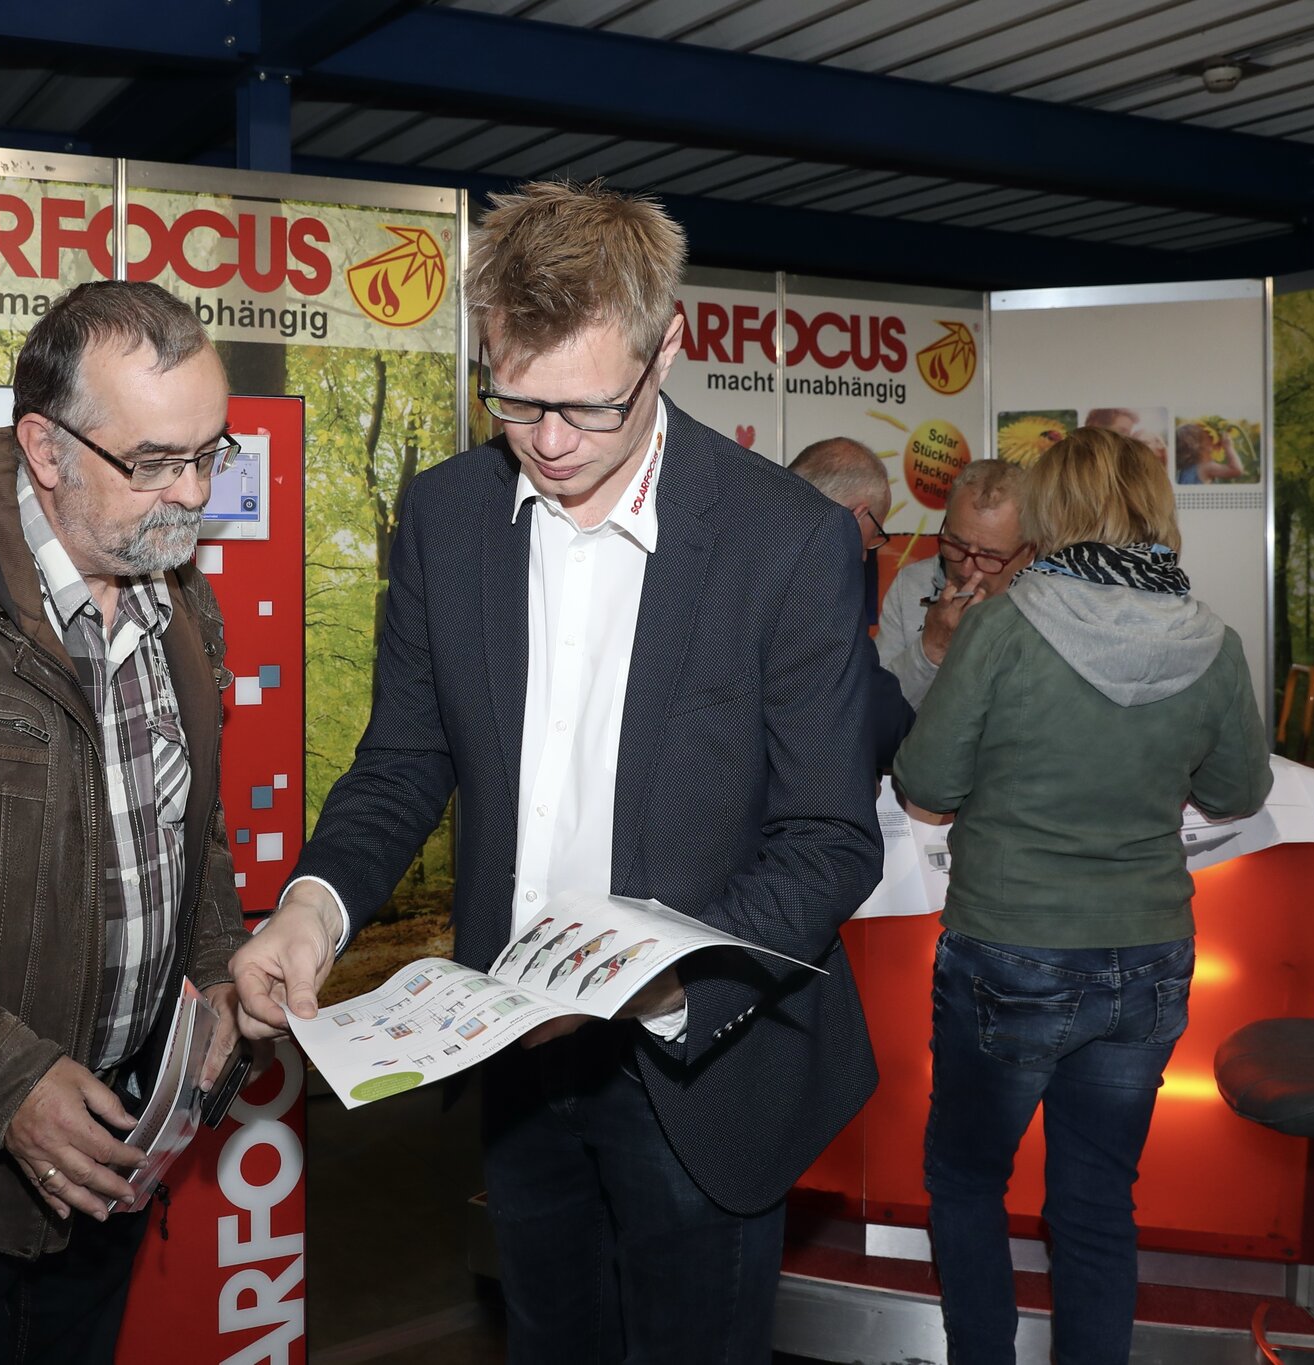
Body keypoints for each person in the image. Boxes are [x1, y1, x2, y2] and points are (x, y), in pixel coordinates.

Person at [230, 181, 882, 1364]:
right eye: (514, 398)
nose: (547, 442)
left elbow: (828, 838)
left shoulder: (784, 541)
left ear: (666, 346)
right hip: (510, 1054)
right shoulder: (443, 518)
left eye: (586, 407)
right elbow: (404, 758)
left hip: (698, 1059)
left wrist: (655, 987)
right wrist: (311, 911)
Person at [0, 279, 250, 1363]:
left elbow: (195, 824)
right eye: (153, 464)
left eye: (208, 455)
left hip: (114, 1149)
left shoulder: (177, 591)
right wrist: (2, 1077)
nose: (190, 496)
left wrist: (220, 966)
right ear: (44, 448)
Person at [893, 426, 1270, 1365]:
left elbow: (927, 783)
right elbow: (1237, 792)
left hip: (1011, 945)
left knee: (969, 1180)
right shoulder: (1212, 640)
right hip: (1147, 958)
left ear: (1054, 512)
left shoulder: (1003, 627)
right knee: (1099, 1198)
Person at [789, 436, 915, 769]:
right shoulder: (822, 586)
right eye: (874, 535)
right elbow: (878, 719)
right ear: (856, 515)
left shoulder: (732, 553)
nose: (863, 556)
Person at [878, 459, 1031, 708]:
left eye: (989, 555)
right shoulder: (912, 585)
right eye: (956, 544)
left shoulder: (1053, 600)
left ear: (1029, 550)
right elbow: (877, 713)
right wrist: (931, 649)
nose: (966, 568)